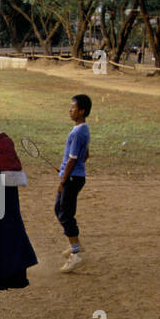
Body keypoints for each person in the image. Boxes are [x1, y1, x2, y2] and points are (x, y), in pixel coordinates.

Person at [56, 94, 92, 273]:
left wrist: (64, 178)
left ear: (82, 111)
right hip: (72, 175)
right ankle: (75, 243)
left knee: (65, 214)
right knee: (59, 209)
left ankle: (76, 254)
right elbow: (85, 155)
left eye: (73, 108)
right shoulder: (82, 130)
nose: (70, 110)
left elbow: (73, 159)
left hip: (71, 179)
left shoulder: (78, 133)